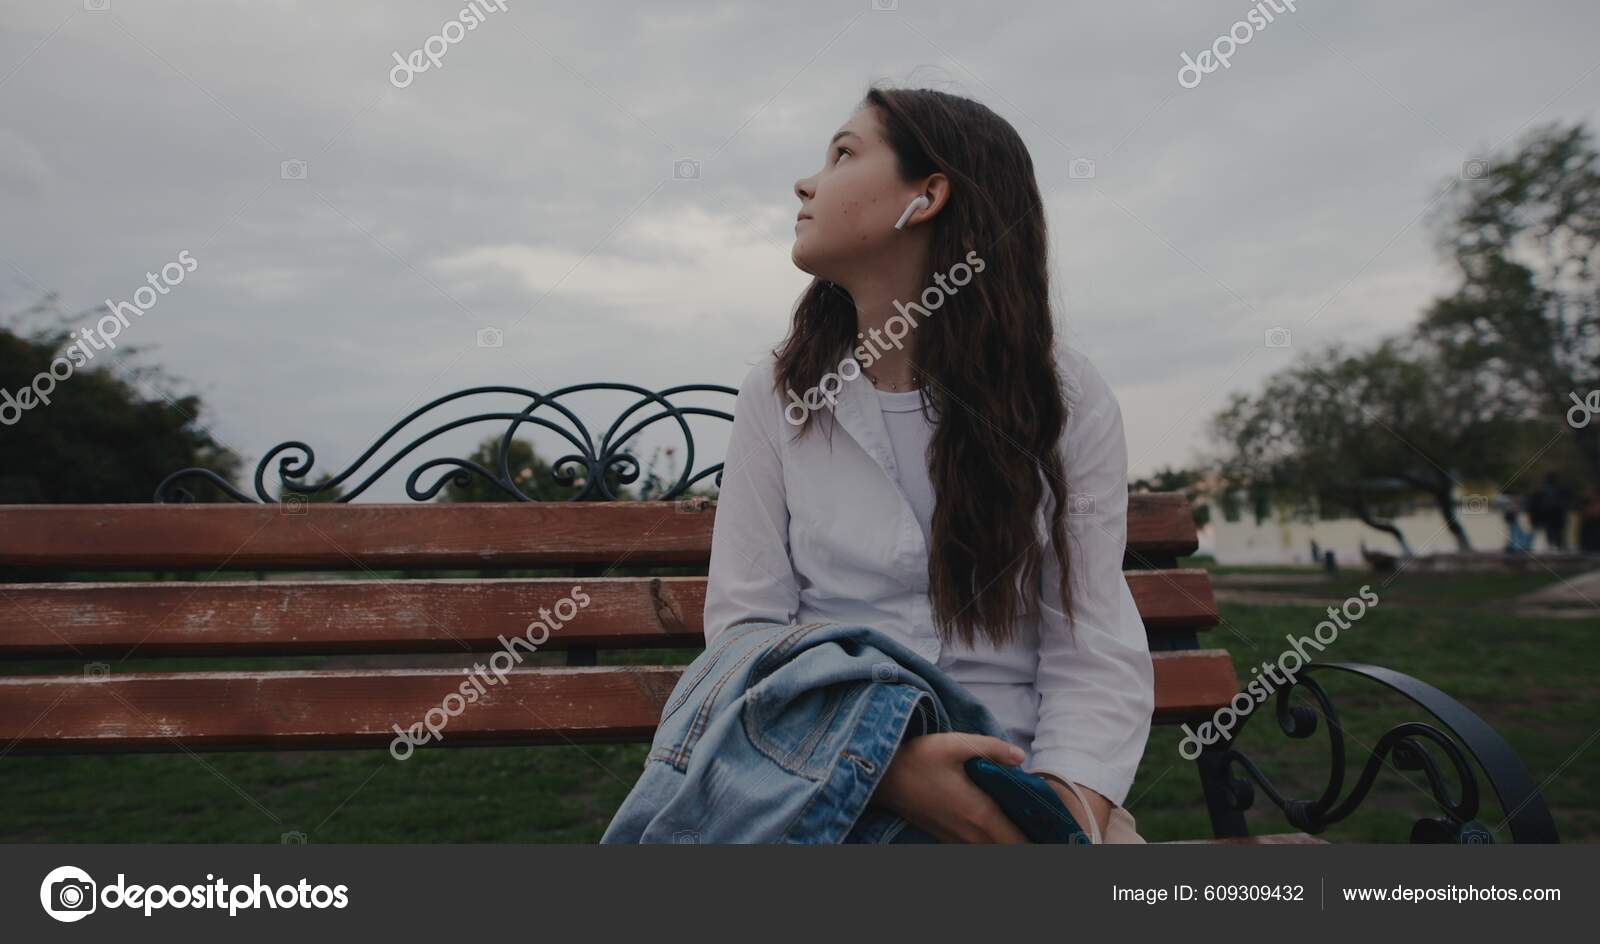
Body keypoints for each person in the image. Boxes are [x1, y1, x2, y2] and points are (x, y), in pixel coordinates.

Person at [702, 86, 1154, 844]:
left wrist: (1059, 814)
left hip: (1026, 791)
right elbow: (747, 632)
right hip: (822, 788)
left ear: (927, 196)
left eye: (844, 153)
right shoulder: (778, 395)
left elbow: (1091, 643)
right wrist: (886, 766)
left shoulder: (1066, 397)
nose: (806, 183)